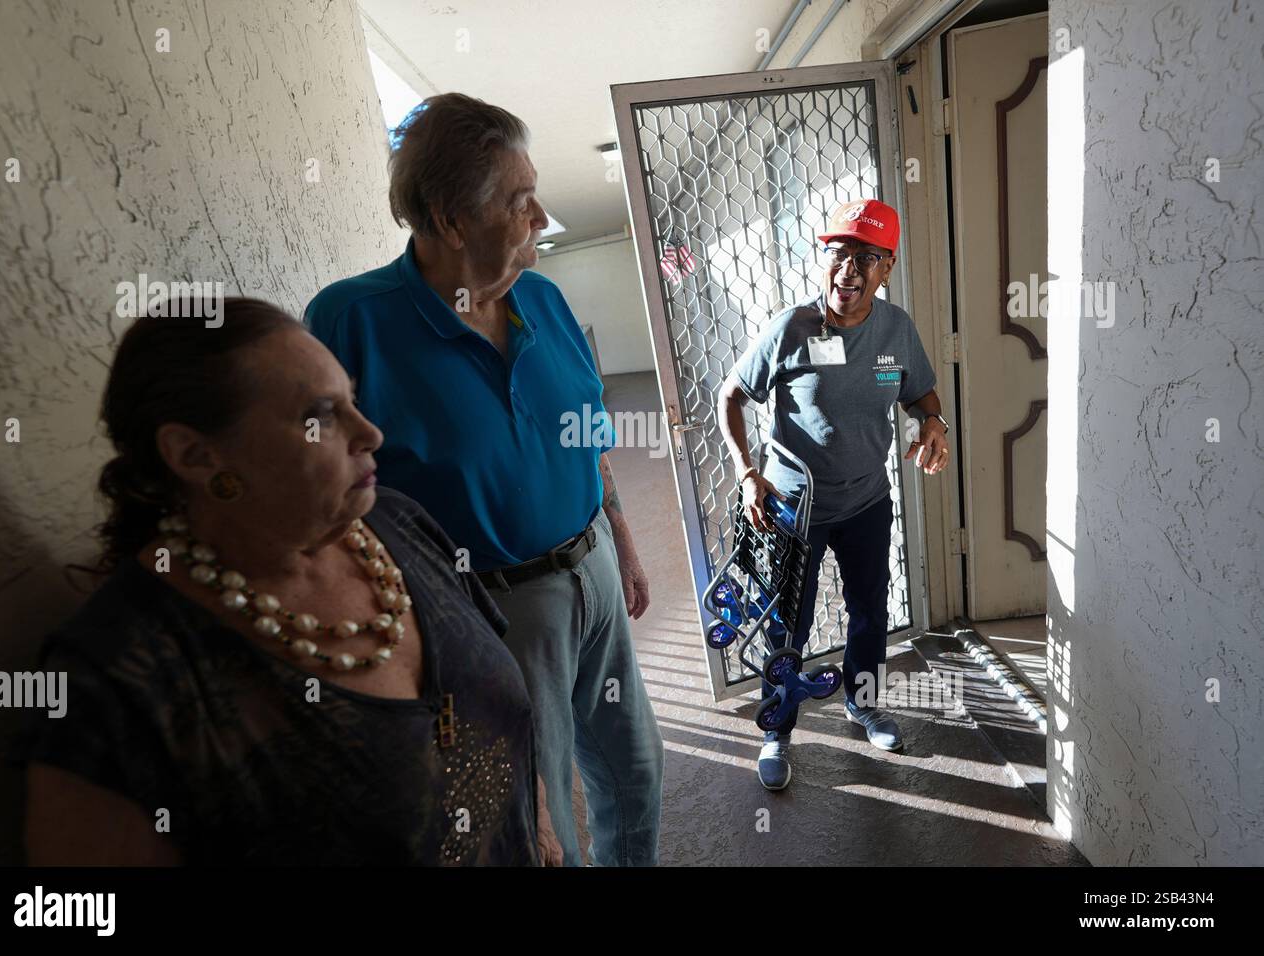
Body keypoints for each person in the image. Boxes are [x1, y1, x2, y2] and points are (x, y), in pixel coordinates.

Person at [22, 297, 560, 865]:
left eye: (351, 399)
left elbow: (498, 702)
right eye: (322, 415)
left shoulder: (399, 520)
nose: (371, 432)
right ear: (196, 454)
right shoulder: (118, 681)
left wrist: (542, 830)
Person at [306, 93, 663, 866]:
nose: (541, 218)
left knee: (634, 772)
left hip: (592, 565)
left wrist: (624, 546)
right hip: (492, 610)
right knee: (536, 824)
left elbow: (591, 431)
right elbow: (331, 499)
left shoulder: (542, 296)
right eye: (518, 200)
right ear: (449, 219)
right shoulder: (351, 321)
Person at [718, 199, 950, 791]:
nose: (849, 269)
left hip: (867, 501)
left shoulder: (896, 331)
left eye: (866, 258)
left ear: (887, 267)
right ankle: (778, 729)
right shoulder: (793, 328)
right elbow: (731, 398)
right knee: (785, 625)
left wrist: (934, 425)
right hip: (793, 509)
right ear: (824, 260)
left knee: (870, 611)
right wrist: (748, 472)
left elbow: (922, 395)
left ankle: (863, 704)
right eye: (839, 254)